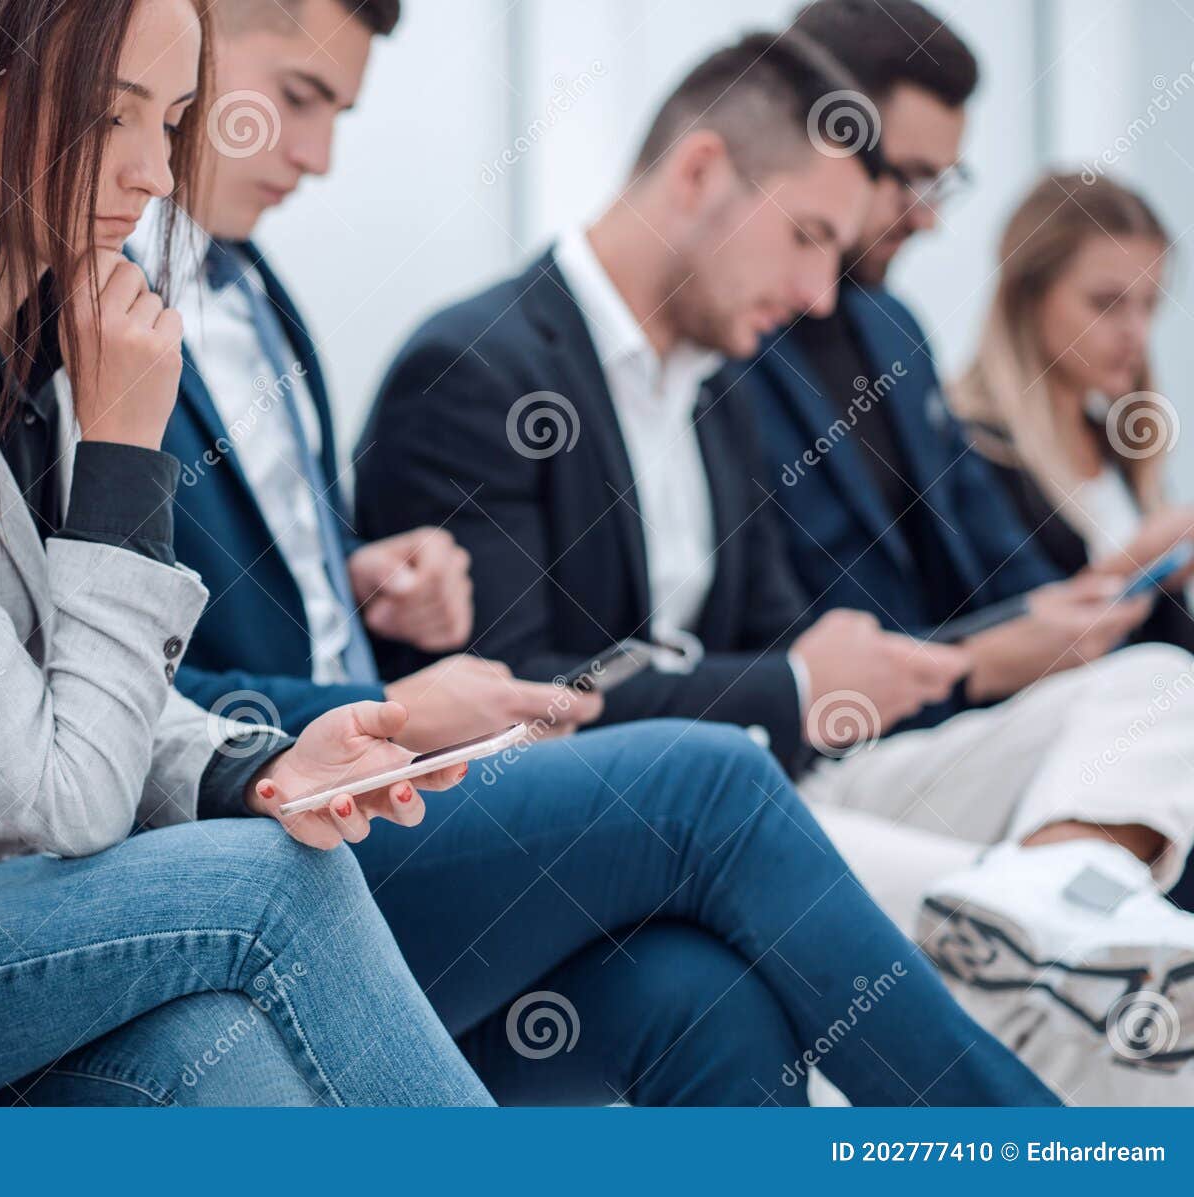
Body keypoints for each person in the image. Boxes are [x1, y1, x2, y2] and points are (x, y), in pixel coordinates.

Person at [146, 0, 1060, 1107]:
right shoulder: (460, 360)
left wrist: (363, 578)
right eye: (298, 100)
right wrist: (804, 685)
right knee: (710, 784)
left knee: (704, 1000)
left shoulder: (254, 293)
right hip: (282, 812)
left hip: (373, 792)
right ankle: (1042, 1150)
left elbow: (254, 581)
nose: (319, 156)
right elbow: (108, 669)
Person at [355, 2, 1194, 1099]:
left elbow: (767, 642)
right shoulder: (480, 366)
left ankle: (1061, 894)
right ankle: (1055, 962)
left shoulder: (716, 393)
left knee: (1156, 689)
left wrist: (847, 667)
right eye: (805, 237)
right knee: (1118, 982)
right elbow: (517, 704)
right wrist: (796, 682)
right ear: (699, 172)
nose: (815, 292)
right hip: (666, 819)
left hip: (801, 775)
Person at [0, 0, 495, 1109]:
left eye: (173, 122)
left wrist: (252, 766)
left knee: (215, 1056)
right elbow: (65, 796)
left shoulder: (36, 359)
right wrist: (121, 459)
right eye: (111, 118)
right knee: (272, 884)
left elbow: (58, 686)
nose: (156, 174)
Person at [952, 171, 1194, 654]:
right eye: (1107, 304)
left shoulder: (1119, 447)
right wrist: (1134, 563)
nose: (1136, 334)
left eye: (1148, 306)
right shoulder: (969, 452)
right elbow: (1004, 644)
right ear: (1028, 298)